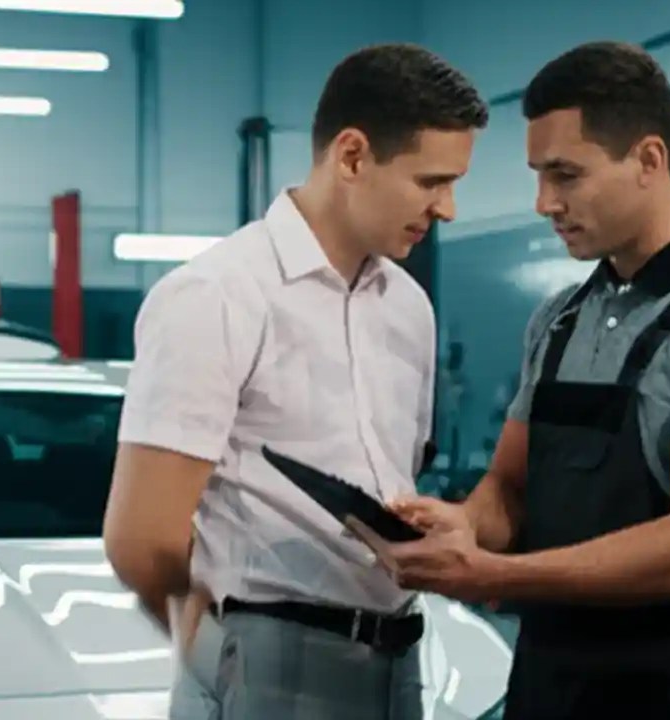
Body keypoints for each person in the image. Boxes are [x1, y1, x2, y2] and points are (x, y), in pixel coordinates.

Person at [383, 41, 670, 719]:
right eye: (537, 175)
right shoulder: (559, 318)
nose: (543, 202)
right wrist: (459, 528)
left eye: (566, 175)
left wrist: (498, 574)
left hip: (665, 689)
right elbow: (508, 489)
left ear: (649, 160)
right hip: (547, 677)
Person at [103, 43, 488, 719]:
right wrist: (226, 661)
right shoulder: (215, 296)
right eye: (432, 181)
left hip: (401, 659)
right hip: (270, 661)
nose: (448, 208)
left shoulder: (409, 308)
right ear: (351, 156)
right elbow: (142, 539)